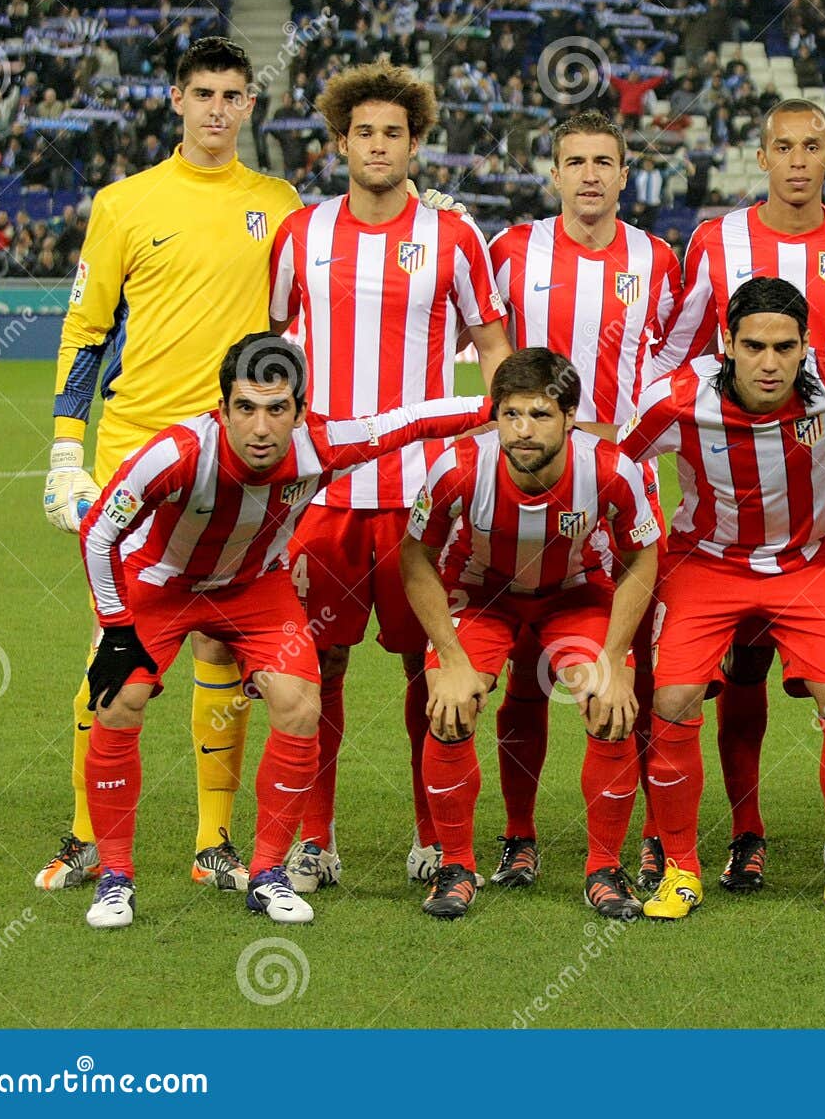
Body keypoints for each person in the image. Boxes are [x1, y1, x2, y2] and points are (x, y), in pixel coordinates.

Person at [76, 335, 490, 929]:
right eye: (245, 407)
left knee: (301, 704)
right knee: (118, 700)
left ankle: (268, 875)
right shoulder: (177, 453)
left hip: (255, 590)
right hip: (159, 586)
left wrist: (491, 406)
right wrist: (116, 631)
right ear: (222, 409)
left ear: (300, 411)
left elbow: (407, 422)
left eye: (277, 409)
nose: (261, 426)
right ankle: (115, 880)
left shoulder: (321, 444)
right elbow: (98, 534)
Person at [39, 37, 303, 895]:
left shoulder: (281, 201)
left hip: (234, 462)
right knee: (113, 649)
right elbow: (86, 327)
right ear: (176, 100)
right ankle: (88, 838)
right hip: (135, 457)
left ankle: (212, 841)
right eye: (204, 94)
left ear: (249, 105)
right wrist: (65, 447)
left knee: (224, 653)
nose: (218, 109)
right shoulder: (123, 203)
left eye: (233, 94)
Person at [267, 62, 514, 894]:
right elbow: (269, 355)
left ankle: (432, 832)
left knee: (431, 670)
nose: (379, 145)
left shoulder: (453, 237)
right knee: (319, 669)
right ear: (341, 142)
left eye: (394, 133)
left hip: (421, 498)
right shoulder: (301, 234)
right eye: (364, 132)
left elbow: (493, 350)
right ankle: (315, 838)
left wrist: (491, 442)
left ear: (415, 144)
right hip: (323, 496)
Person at [653, 99, 825, 894]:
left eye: (814, 147)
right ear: (762, 156)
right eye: (784, 147)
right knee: (740, 672)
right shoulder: (716, 242)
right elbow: (678, 351)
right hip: (732, 497)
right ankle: (746, 831)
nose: (798, 161)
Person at [620, 277, 825, 923]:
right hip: (706, 564)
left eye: (784, 346)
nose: (770, 362)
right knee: (670, 698)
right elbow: (612, 462)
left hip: (806, 565)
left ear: (807, 345)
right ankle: (679, 869)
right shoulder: (677, 399)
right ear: (727, 342)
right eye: (753, 346)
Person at [486, 111, 681, 892]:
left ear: (626, 172)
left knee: (636, 667)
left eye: (605, 161)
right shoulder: (510, 252)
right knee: (528, 666)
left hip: (624, 492)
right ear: (554, 173)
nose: (591, 174)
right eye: (576, 161)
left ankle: (646, 839)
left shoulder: (658, 260)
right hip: (526, 489)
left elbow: (682, 362)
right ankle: (519, 835)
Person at [400, 349, 660, 920]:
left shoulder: (612, 469)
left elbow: (643, 557)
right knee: (449, 706)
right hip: (481, 593)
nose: (523, 430)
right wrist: (450, 657)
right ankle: (458, 865)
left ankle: (604, 868)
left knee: (608, 706)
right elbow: (415, 557)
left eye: (540, 415)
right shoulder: (458, 466)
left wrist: (613, 659)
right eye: (511, 414)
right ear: (495, 415)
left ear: (570, 416)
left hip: (575, 593)